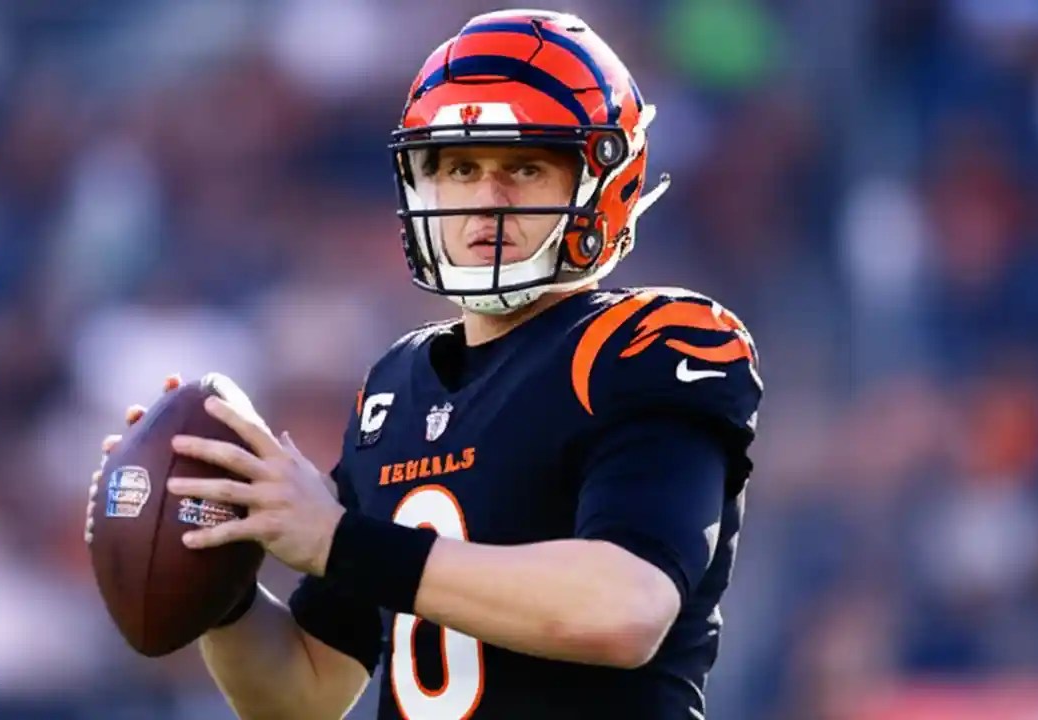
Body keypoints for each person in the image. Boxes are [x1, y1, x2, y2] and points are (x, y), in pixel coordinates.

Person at [85, 9, 763, 719]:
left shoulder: (651, 341)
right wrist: (219, 560)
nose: (485, 200)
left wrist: (342, 540)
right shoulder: (395, 389)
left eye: (524, 167)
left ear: (603, 181)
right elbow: (303, 694)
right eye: (461, 167)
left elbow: (623, 610)